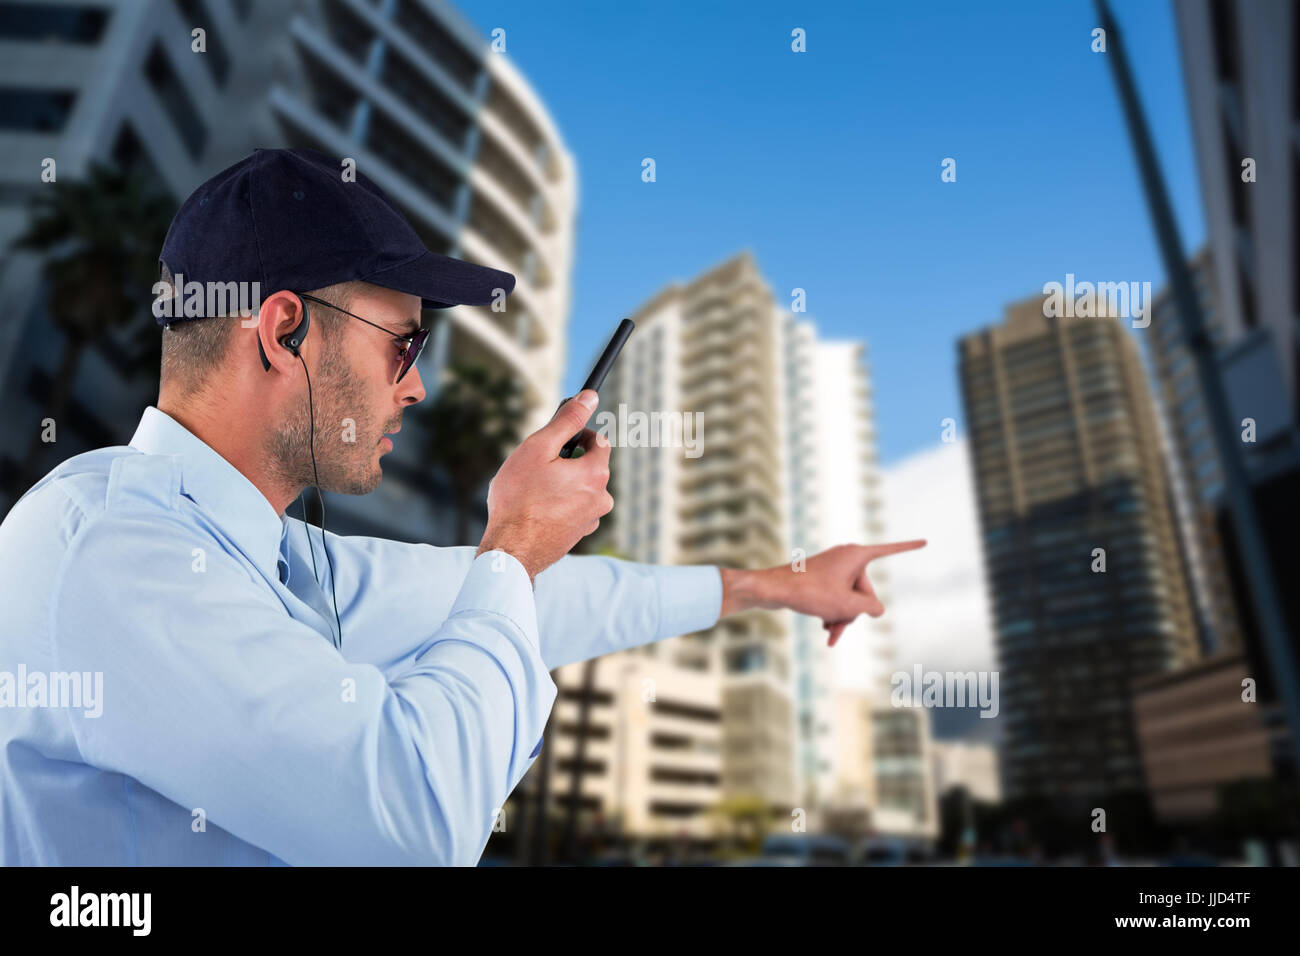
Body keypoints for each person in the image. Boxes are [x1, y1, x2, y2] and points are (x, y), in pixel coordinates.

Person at [0, 147, 925, 865]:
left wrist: (784, 585)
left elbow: (529, 602)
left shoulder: (267, 557)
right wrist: (514, 544)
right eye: (403, 345)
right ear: (283, 331)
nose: (417, 389)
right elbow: (412, 822)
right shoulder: (112, 548)